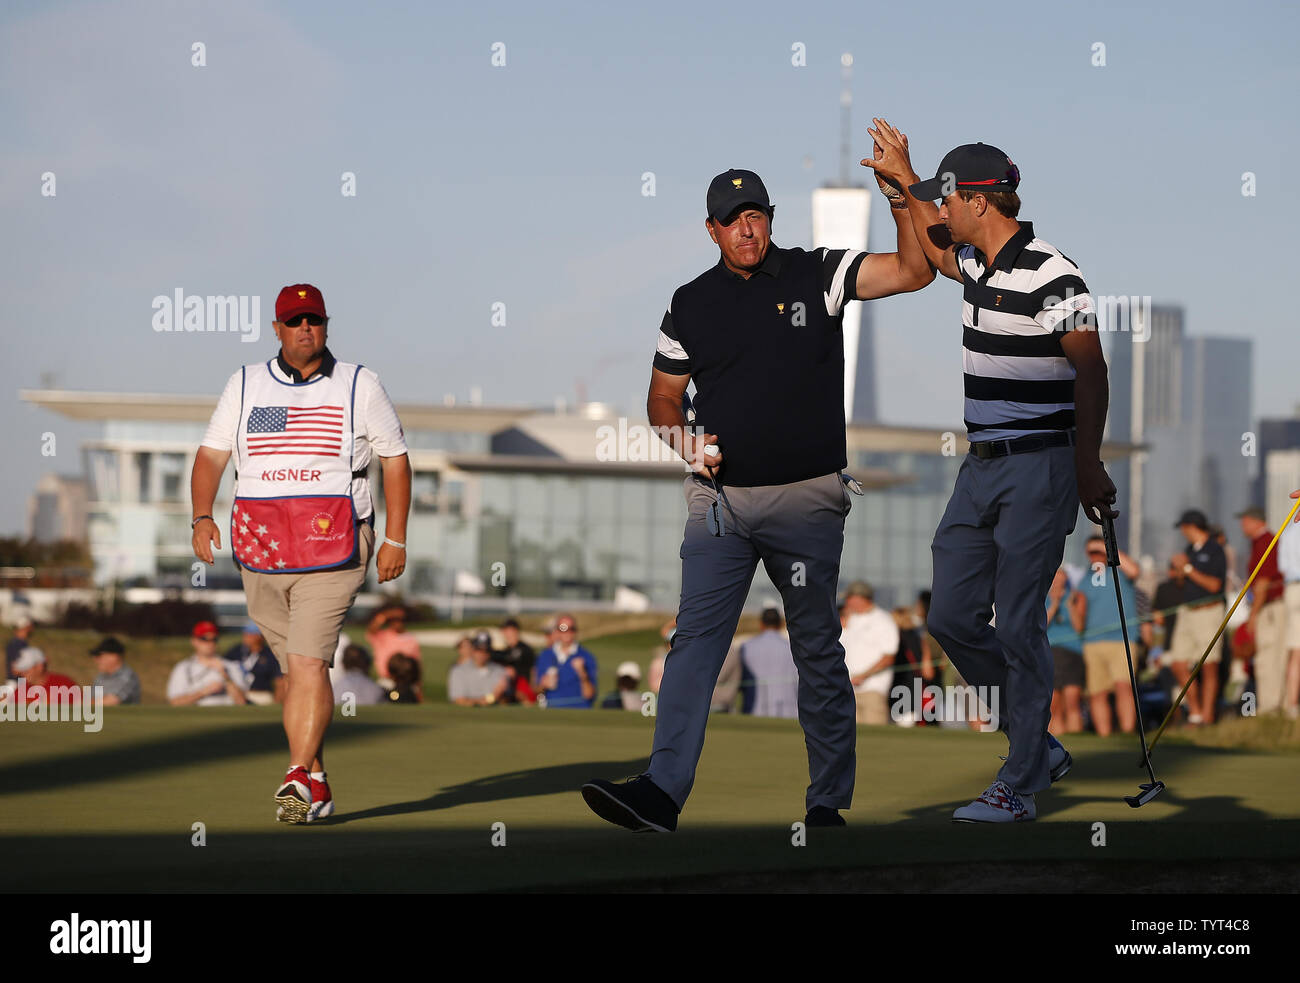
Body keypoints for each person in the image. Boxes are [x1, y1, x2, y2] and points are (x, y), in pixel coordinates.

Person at [583, 154, 934, 834]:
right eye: (732, 220)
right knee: (693, 644)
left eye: (757, 216)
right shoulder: (688, 303)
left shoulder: (818, 271)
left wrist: (901, 198)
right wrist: (684, 442)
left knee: (815, 645)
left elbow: (915, 270)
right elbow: (662, 398)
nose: (747, 229)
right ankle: (661, 791)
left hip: (805, 498)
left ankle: (826, 801)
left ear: (770, 219)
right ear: (709, 230)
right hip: (717, 502)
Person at [865, 120, 1112, 821]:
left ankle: (1022, 781)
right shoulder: (976, 262)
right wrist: (900, 193)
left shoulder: (1052, 272)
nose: (940, 211)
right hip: (979, 468)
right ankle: (1037, 745)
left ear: (979, 202)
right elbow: (934, 253)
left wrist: (1088, 461)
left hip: (1041, 467)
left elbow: (1091, 369)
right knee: (949, 614)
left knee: (1018, 624)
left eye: (947, 200)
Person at [191, 282, 411, 824]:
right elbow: (211, 456)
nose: (305, 328)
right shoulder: (244, 384)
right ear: (277, 329)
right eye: (294, 321)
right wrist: (201, 515)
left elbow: (396, 461)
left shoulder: (361, 384)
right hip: (261, 549)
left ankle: (293, 776)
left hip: (336, 543)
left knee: (308, 661)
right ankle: (316, 774)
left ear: (327, 324)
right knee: (295, 672)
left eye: (313, 319)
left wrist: (396, 537)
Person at [1070, 535, 1140, 736]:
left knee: (1123, 686)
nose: (1096, 556)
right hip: (1092, 641)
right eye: (1092, 552)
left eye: (1099, 551)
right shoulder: (1085, 578)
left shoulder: (1119, 571)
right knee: (1096, 692)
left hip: (1122, 639)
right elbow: (1080, 610)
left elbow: (1134, 570)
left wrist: (1107, 548)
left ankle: (1127, 732)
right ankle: (1104, 736)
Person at [1166, 509, 1228, 725]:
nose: (1183, 533)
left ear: (1191, 527)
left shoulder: (1215, 549)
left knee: (1209, 666)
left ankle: (1208, 717)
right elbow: (1185, 583)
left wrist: (1188, 568)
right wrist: (1181, 572)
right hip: (1187, 612)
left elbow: (1215, 585)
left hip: (1209, 612)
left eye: (1184, 528)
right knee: (1178, 664)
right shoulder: (1189, 549)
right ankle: (1196, 712)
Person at [1237, 507, 1287, 714]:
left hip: (1270, 608)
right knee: (1270, 658)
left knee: (1269, 658)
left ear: (1254, 521)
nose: (1241, 526)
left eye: (1244, 520)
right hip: (1268, 606)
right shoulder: (1260, 541)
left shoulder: (1265, 541)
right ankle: (1272, 706)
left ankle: (1270, 708)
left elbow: (1263, 582)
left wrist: (1253, 615)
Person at [840, 582, 899, 726]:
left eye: (849, 598)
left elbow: (888, 657)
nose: (846, 602)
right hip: (848, 690)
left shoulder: (883, 620)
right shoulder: (850, 619)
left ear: (859, 598)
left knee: (874, 737)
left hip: (873, 690)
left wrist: (863, 675)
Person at [167, 621, 249, 707]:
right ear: (194, 641)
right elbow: (175, 702)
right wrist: (204, 692)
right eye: (204, 639)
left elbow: (241, 702)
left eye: (214, 639)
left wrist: (225, 675)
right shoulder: (184, 668)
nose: (210, 643)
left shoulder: (231, 666)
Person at [739, 606, 799, 719]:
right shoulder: (793, 648)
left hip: (755, 711)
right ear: (781, 624)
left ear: (761, 624)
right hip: (790, 712)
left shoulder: (747, 647)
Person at [1045, 568, 1084, 735]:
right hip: (1051, 651)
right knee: (1053, 703)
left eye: (1062, 580)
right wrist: (1054, 603)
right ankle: (1056, 741)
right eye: (1055, 579)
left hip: (1072, 652)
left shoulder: (1075, 597)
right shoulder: (1043, 598)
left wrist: (1069, 605)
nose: (1058, 583)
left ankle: (1075, 738)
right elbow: (1042, 625)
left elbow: (1079, 627)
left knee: (1072, 701)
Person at [535, 615, 597, 709]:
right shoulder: (545, 655)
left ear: (575, 631)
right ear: (556, 631)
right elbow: (537, 692)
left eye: (571, 628)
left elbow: (589, 695)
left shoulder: (586, 657)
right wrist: (543, 685)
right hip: (552, 710)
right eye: (563, 628)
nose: (567, 632)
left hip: (578, 711)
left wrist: (582, 674)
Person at [224, 621, 284, 705]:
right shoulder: (235, 652)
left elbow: (280, 681)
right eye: (246, 633)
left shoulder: (270, 654)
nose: (246, 636)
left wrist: (277, 702)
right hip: (238, 693)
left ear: (261, 636)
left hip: (261, 695)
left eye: (251, 634)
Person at [366, 604, 422, 687]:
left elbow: (417, 665)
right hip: (387, 680)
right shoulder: (383, 636)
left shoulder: (411, 639)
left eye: (399, 620)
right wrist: (385, 615)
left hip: (406, 681)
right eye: (393, 620)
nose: (396, 623)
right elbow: (372, 630)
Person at [9, 647, 80, 706]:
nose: (22, 673)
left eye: (26, 669)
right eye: (21, 669)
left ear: (40, 666)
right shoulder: (21, 690)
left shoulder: (63, 683)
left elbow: (84, 706)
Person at [447, 640, 506, 707]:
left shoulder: (499, 670)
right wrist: (485, 701)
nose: (482, 654)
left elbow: (500, 698)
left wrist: (489, 699)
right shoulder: (458, 670)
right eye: (478, 650)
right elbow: (458, 699)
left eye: (485, 651)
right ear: (472, 651)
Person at [494, 618, 537, 704]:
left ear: (515, 630)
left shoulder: (525, 649)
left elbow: (533, 671)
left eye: (507, 630)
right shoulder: (507, 650)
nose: (504, 633)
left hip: (523, 686)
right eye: (504, 630)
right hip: (510, 686)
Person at [89, 636, 140, 706]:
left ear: (114, 657)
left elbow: (112, 701)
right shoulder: (100, 677)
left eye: (99, 655)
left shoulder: (128, 677)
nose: (96, 660)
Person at [6, 615, 34, 680]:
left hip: (20, 681)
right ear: (26, 627)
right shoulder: (17, 644)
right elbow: (15, 667)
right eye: (30, 626)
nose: (32, 629)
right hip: (16, 681)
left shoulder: (21, 643)